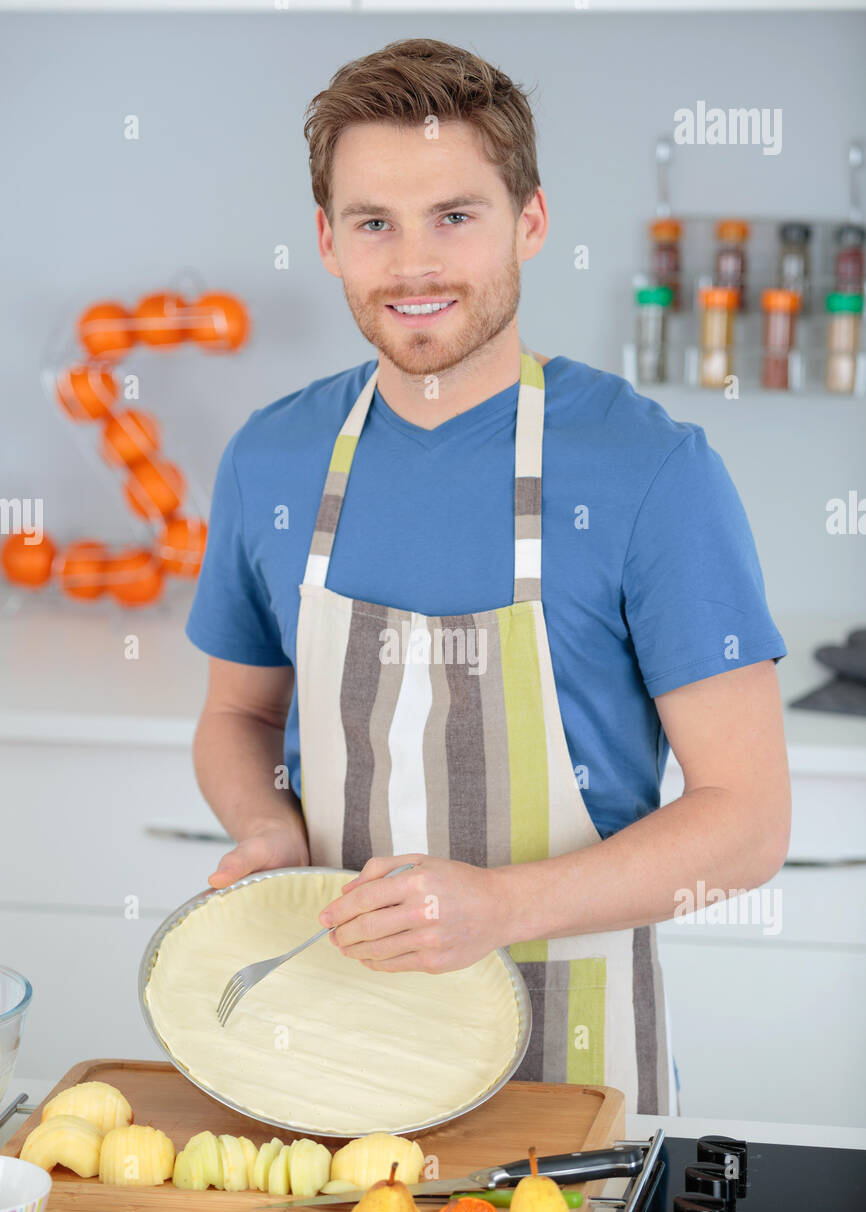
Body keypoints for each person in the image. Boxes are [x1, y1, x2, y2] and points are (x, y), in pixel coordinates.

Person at [185, 38, 791, 1117]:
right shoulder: (270, 460)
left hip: (566, 1073)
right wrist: (269, 829)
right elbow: (237, 711)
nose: (412, 264)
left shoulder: (650, 469)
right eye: (374, 222)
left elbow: (745, 822)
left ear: (529, 221)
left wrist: (497, 908)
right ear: (327, 241)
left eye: (454, 216)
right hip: (326, 1043)